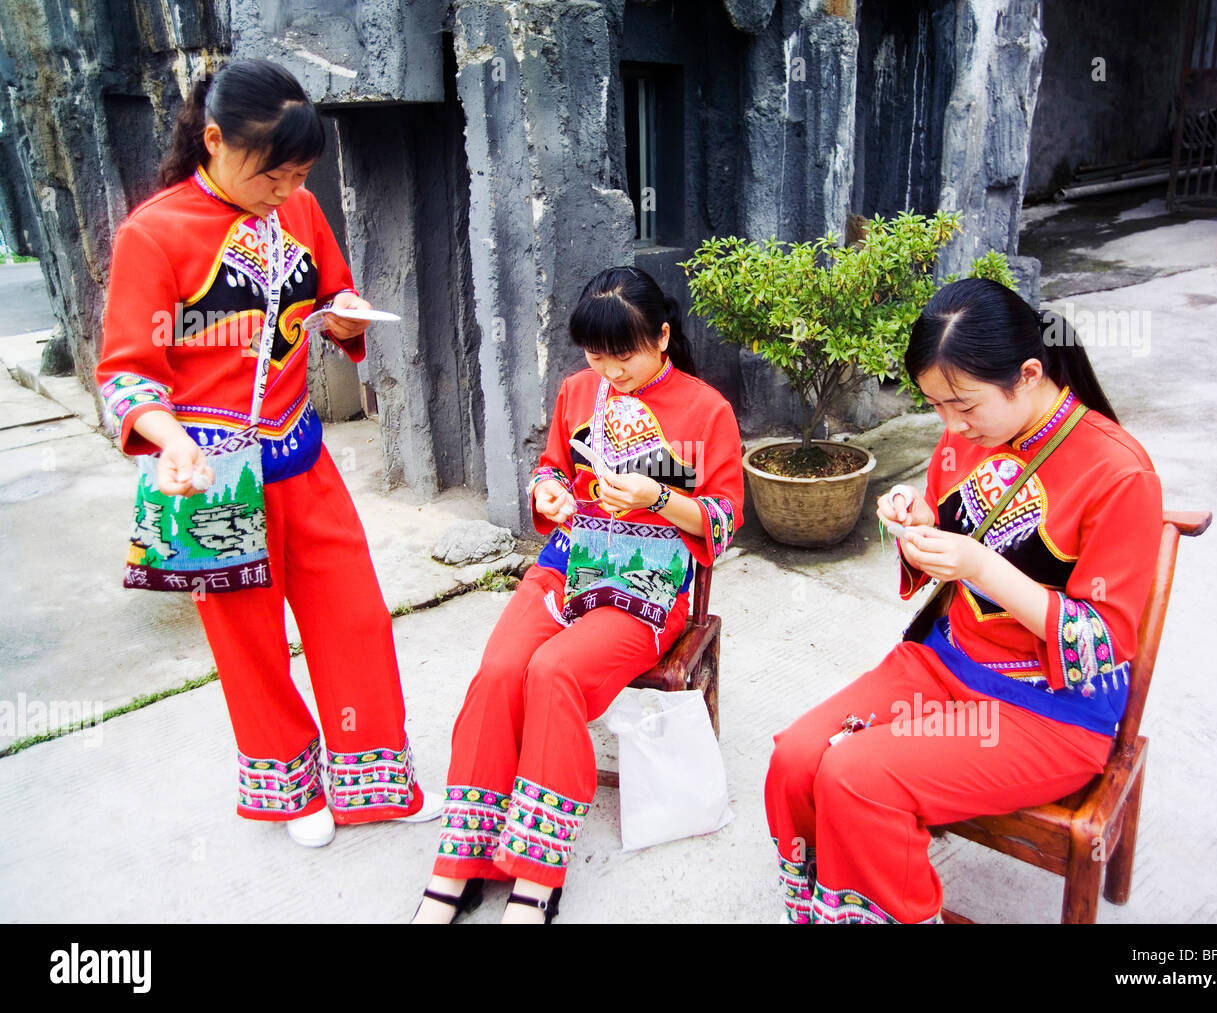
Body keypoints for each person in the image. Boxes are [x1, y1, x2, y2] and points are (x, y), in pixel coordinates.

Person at [96, 59, 435, 847]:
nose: (284, 190)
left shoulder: (302, 211)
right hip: (208, 477)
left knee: (352, 619)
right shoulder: (153, 234)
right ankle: (287, 786)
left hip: (301, 457)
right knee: (247, 643)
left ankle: (372, 776)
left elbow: (330, 297)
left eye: (299, 174)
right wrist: (171, 438)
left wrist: (346, 321)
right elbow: (123, 372)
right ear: (213, 140)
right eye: (270, 172)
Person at [764, 277, 1163, 923]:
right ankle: (829, 909)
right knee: (796, 757)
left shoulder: (1119, 472)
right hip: (947, 661)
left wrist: (983, 566)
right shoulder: (967, 433)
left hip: (1049, 705)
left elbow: (1103, 642)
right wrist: (917, 520)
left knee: (859, 777)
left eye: (963, 404)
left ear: (1029, 373)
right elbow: (952, 537)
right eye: (935, 404)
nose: (949, 425)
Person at [411, 266, 744, 923]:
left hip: (647, 582)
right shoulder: (576, 393)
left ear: (664, 337)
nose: (610, 372)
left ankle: (538, 871)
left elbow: (726, 518)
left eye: (624, 355)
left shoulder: (707, 410)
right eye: (596, 356)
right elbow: (551, 467)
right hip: (569, 562)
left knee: (553, 671)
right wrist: (548, 491)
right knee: (498, 672)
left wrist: (659, 498)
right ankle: (462, 861)